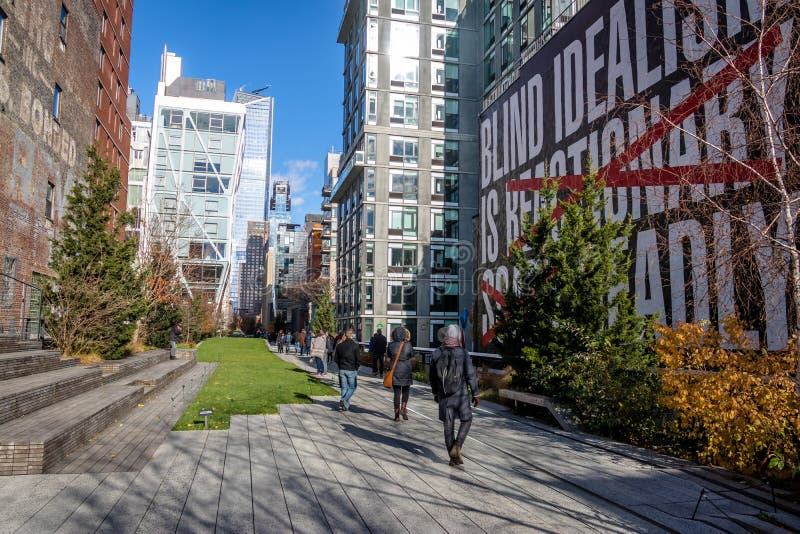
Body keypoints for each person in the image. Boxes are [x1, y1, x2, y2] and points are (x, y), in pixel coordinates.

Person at [429, 324, 479, 467]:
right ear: (457, 336)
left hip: (444, 395)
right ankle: (457, 446)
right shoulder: (463, 353)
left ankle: (452, 456)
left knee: (448, 425)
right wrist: (475, 393)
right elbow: (470, 375)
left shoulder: (437, 352)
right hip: (461, 395)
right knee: (467, 420)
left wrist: (434, 392)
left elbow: (432, 376)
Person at [386, 327, 413, 421]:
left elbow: (389, 355)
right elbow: (411, 355)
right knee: (406, 391)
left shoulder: (390, 345)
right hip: (406, 370)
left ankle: (396, 414)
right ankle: (403, 408)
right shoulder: (408, 344)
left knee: (397, 393)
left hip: (395, 370)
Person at [334, 328, 361, 411]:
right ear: (352, 335)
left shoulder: (339, 345)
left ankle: (345, 405)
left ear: (345, 334)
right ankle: (344, 400)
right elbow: (358, 359)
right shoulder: (355, 345)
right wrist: (356, 367)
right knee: (352, 387)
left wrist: (340, 366)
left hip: (342, 368)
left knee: (344, 387)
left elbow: (336, 359)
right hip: (351, 369)